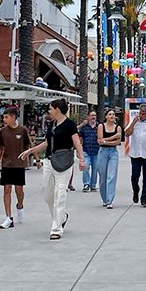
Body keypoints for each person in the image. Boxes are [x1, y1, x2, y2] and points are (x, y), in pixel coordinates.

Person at [19, 99, 85, 240]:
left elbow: (76, 142)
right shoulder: (51, 124)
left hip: (64, 162)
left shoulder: (69, 125)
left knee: (60, 194)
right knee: (47, 193)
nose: (48, 111)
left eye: (50, 108)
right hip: (49, 161)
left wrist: (81, 159)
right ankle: (61, 217)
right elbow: (47, 142)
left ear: (57, 109)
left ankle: (56, 228)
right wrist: (31, 150)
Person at [0, 106, 32, 229]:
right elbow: (0, 146)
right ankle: (8, 218)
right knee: (6, 189)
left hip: (19, 164)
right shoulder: (3, 131)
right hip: (7, 164)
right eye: (3, 117)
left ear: (13, 117)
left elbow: (29, 145)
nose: (4, 119)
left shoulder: (22, 130)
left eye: (6, 117)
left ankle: (20, 205)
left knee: (19, 190)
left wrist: (35, 159)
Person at [125, 103, 146, 207]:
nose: (141, 115)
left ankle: (144, 198)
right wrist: (133, 123)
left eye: (143, 113)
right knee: (135, 176)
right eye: (140, 113)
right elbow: (127, 133)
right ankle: (136, 191)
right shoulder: (135, 122)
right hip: (135, 154)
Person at [97, 108, 122, 209]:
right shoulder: (101, 126)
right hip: (103, 152)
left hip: (113, 153)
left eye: (113, 114)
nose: (112, 116)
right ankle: (104, 198)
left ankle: (109, 200)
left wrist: (106, 141)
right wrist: (113, 137)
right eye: (110, 114)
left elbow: (117, 142)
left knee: (111, 176)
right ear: (106, 116)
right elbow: (99, 140)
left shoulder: (118, 128)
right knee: (103, 177)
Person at [78, 110, 99, 192]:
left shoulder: (99, 126)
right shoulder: (84, 127)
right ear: (88, 117)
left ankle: (93, 185)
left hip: (96, 151)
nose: (93, 117)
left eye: (95, 115)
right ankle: (86, 184)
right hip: (86, 150)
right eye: (92, 115)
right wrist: (79, 151)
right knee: (85, 167)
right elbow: (80, 139)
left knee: (95, 169)